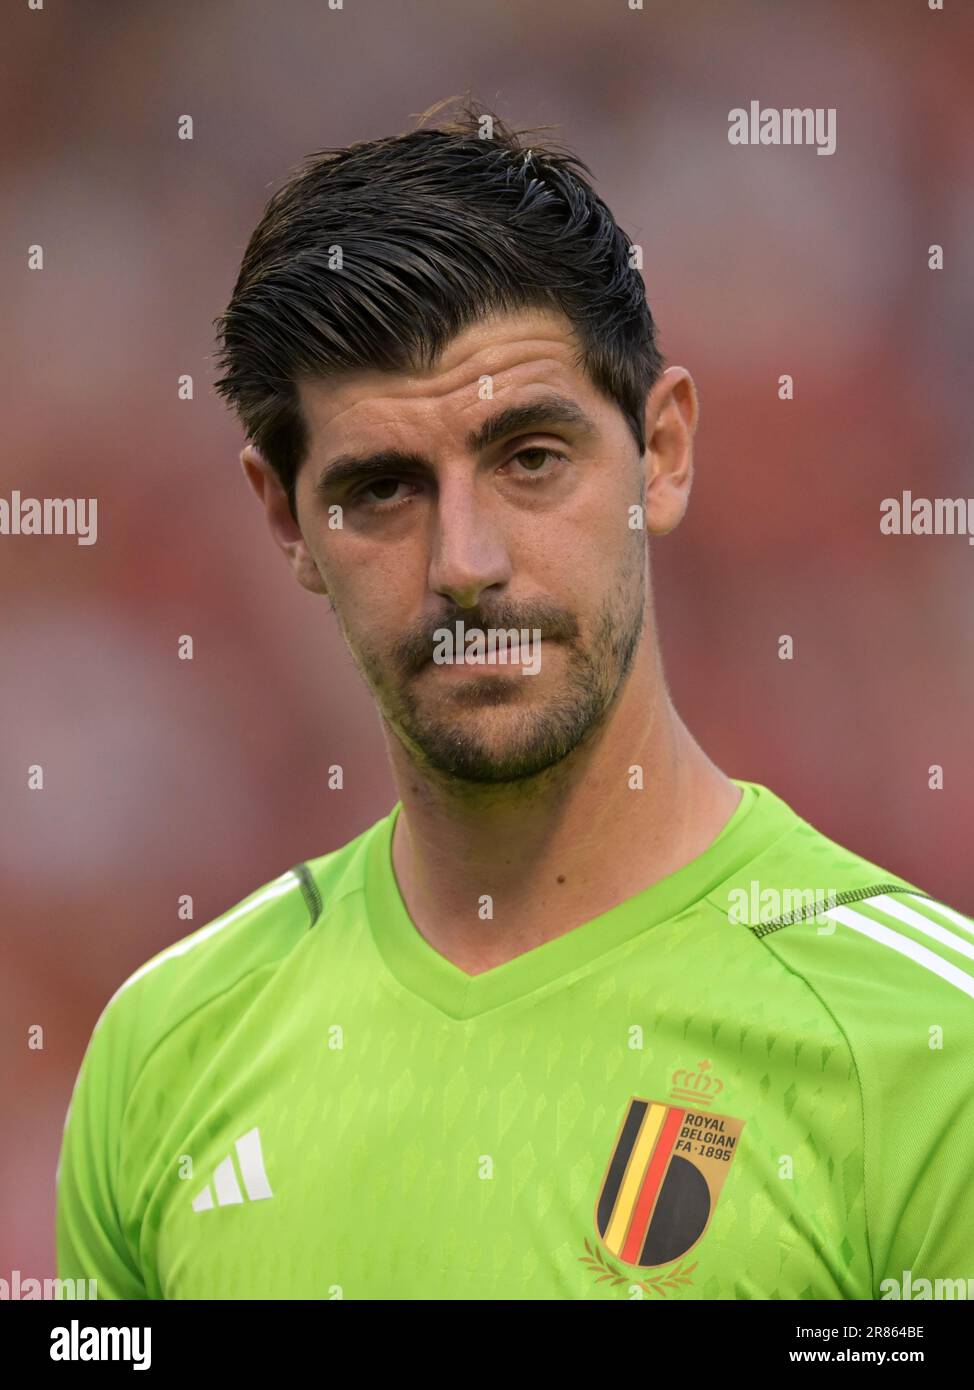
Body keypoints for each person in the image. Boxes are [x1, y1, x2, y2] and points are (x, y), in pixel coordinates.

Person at [56, 99, 974, 1301]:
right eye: (381, 489)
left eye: (529, 456)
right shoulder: (161, 1052)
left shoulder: (922, 1047)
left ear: (662, 451)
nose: (465, 562)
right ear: (285, 520)